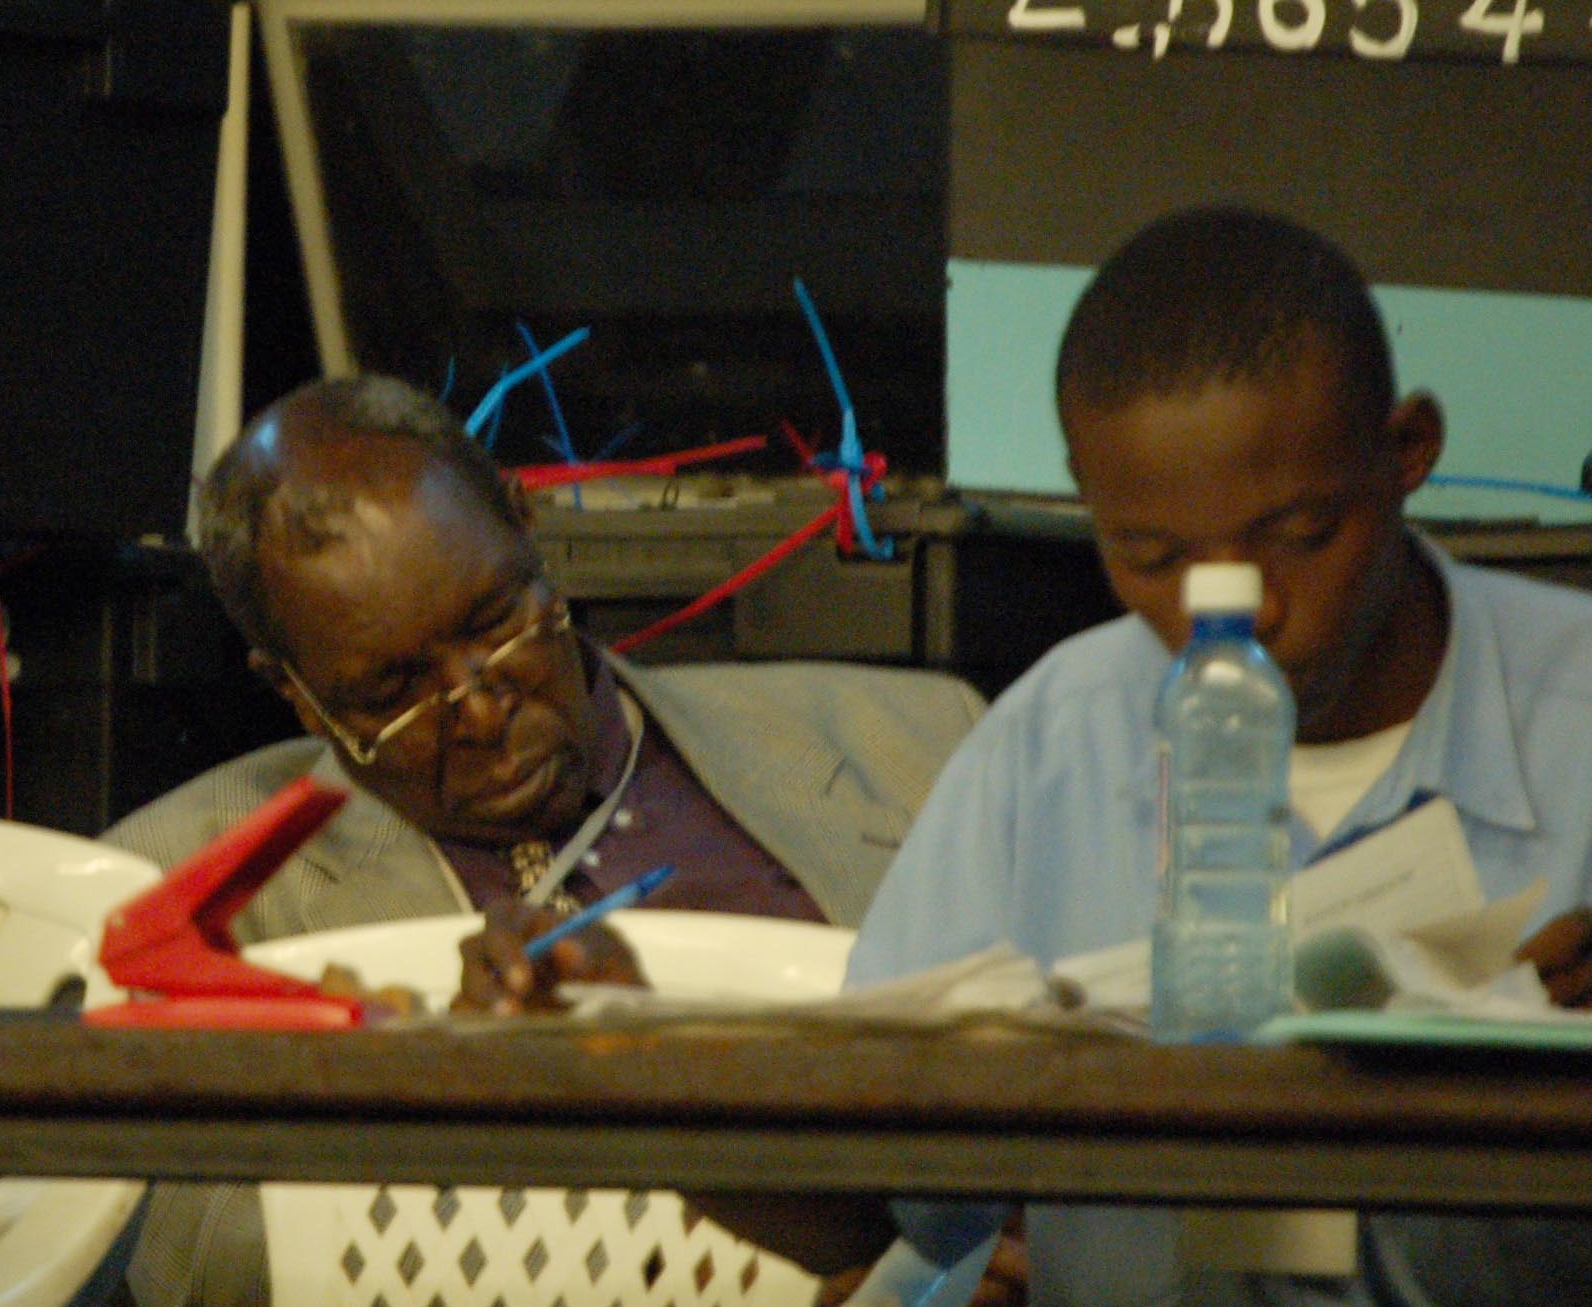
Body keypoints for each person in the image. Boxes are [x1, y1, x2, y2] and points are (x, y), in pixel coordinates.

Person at [824, 205, 1592, 1307]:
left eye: (1303, 535)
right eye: (1151, 556)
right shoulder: (1047, 748)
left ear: (1408, 451)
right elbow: (883, 1181)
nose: (1240, 605)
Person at [106, 373, 985, 1307]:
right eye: (393, 694)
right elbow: (196, 1263)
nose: (480, 708)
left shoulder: (918, 746)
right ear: (294, 691)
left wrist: (990, 1245)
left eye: (495, 624)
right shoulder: (177, 890)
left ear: (529, 532)